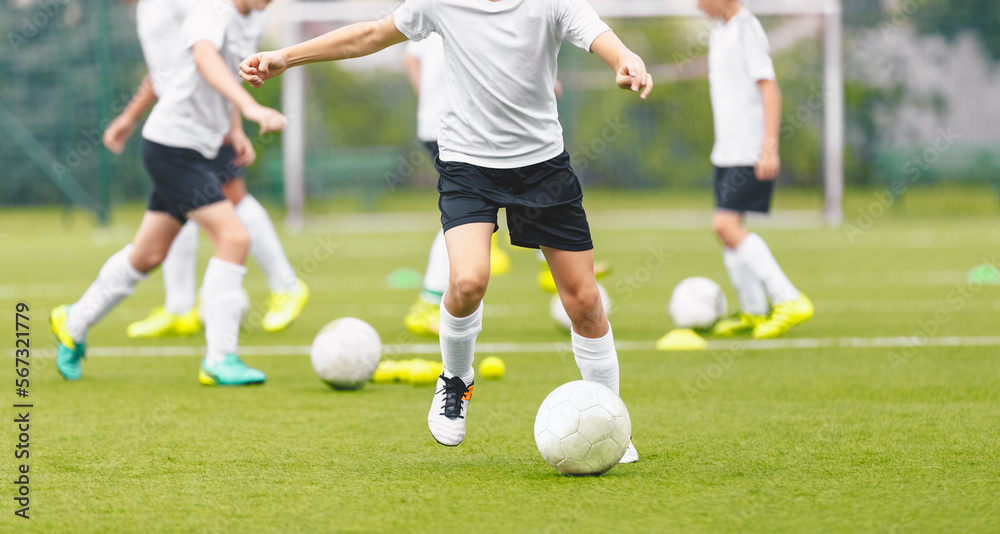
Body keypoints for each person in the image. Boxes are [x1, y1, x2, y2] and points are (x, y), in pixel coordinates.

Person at [239, 0, 649, 460]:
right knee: (468, 280)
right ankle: (456, 379)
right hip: (467, 165)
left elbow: (600, 37)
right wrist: (286, 57)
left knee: (586, 302)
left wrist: (626, 60)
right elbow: (371, 35)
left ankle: (609, 416)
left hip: (541, 167)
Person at [50, 0, 285, 386]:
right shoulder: (210, 10)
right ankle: (220, 359)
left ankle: (73, 320)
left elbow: (223, 78)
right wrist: (251, 107)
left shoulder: (251, 18)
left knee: (148, 255)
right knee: (234, 237)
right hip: (173, 148)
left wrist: (236, 127)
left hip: (198, 149)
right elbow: (206, 60)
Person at [103, 10, 309, 340]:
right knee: (186, 215)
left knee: (229, 209)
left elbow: (215, 62)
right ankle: (180, 307)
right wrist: (129, 117)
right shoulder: (150, 10)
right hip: (182, 128)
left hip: (200, 128)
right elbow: (167, 71)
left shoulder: (222, 11)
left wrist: (239, 121)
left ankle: (281, 287)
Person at [697, 0, 814, 339]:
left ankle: (789, 298)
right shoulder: (721, 32)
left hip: (748, 151)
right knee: (726, 230)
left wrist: (769, 147)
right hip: (726, 152)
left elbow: (769, 89)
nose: (696, 4)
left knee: (725, 225)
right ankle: (754, 311)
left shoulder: (747, 28)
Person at [401, 33, 512, 337]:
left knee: (476, 205)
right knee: (473, 209)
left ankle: (429, 299)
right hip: (458, 128)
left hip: (441, 124)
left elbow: (410, 56)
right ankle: (429, 299)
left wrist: (428, 98)